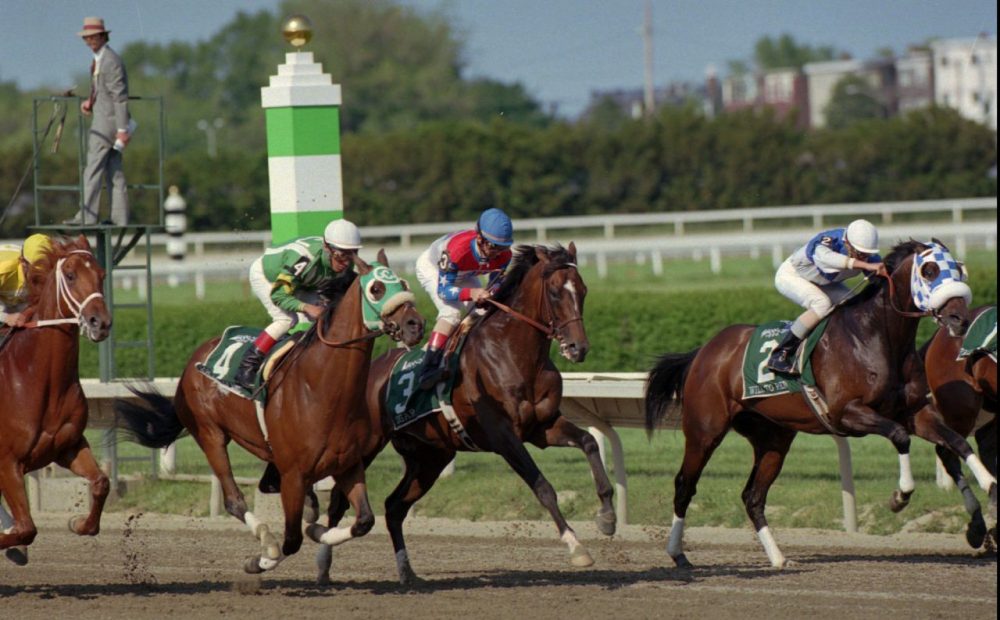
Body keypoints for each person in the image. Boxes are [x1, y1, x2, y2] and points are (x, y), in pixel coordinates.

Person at [233, 219, 363, 389]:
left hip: (304, 281)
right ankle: (246, 368)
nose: (345, 262)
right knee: (287, 320)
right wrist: (307, 307)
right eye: (340, 255)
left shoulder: (343, 260)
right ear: (326, 247)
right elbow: (278, 295)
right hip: (269, 279)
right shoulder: (302, 258)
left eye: (351, 254)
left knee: (324, 318)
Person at [767, 218, 887, 375]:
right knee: (821, 303)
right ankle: (780, 354)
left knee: (855, 305)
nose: (864, 258)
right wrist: (865, 265)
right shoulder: (829, 240)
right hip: (792, 275)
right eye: (860, 253)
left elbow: (881, 281)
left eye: (867, 255)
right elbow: (827, 259)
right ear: (847, 243)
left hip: (824, 282)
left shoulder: (866, 255)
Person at [412, 207, 514, 390]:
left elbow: (495, 283)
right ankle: (428, 367)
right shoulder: (458, 250)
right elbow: (444, 291)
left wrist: (490, 293)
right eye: (493, 246)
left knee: (485, 310)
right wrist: (472, 293)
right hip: (434, 269)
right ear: (480, 238)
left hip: (465, 272)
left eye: (503, 247)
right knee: (451, 312)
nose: (497, 253)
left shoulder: (505, 255)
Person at [64, 17, 131, 226]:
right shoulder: (101, 59)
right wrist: (90, 102)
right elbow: (104, 91)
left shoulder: (110, 60)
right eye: (87, 37)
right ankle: (119, 218)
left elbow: (119, 96)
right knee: (114, 170)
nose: (90, 41)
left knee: (92, 168)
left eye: (93, 36)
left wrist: (122, 129)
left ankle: (87, 215)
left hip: (107, 123)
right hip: (107, 118)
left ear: (103, 36)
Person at [0, 234, 52, 328]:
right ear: (23, 262)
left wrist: (27, 313)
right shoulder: (3, 269)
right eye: (37, 271)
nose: (42, 275)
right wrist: (6, 317)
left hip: (14, 300)